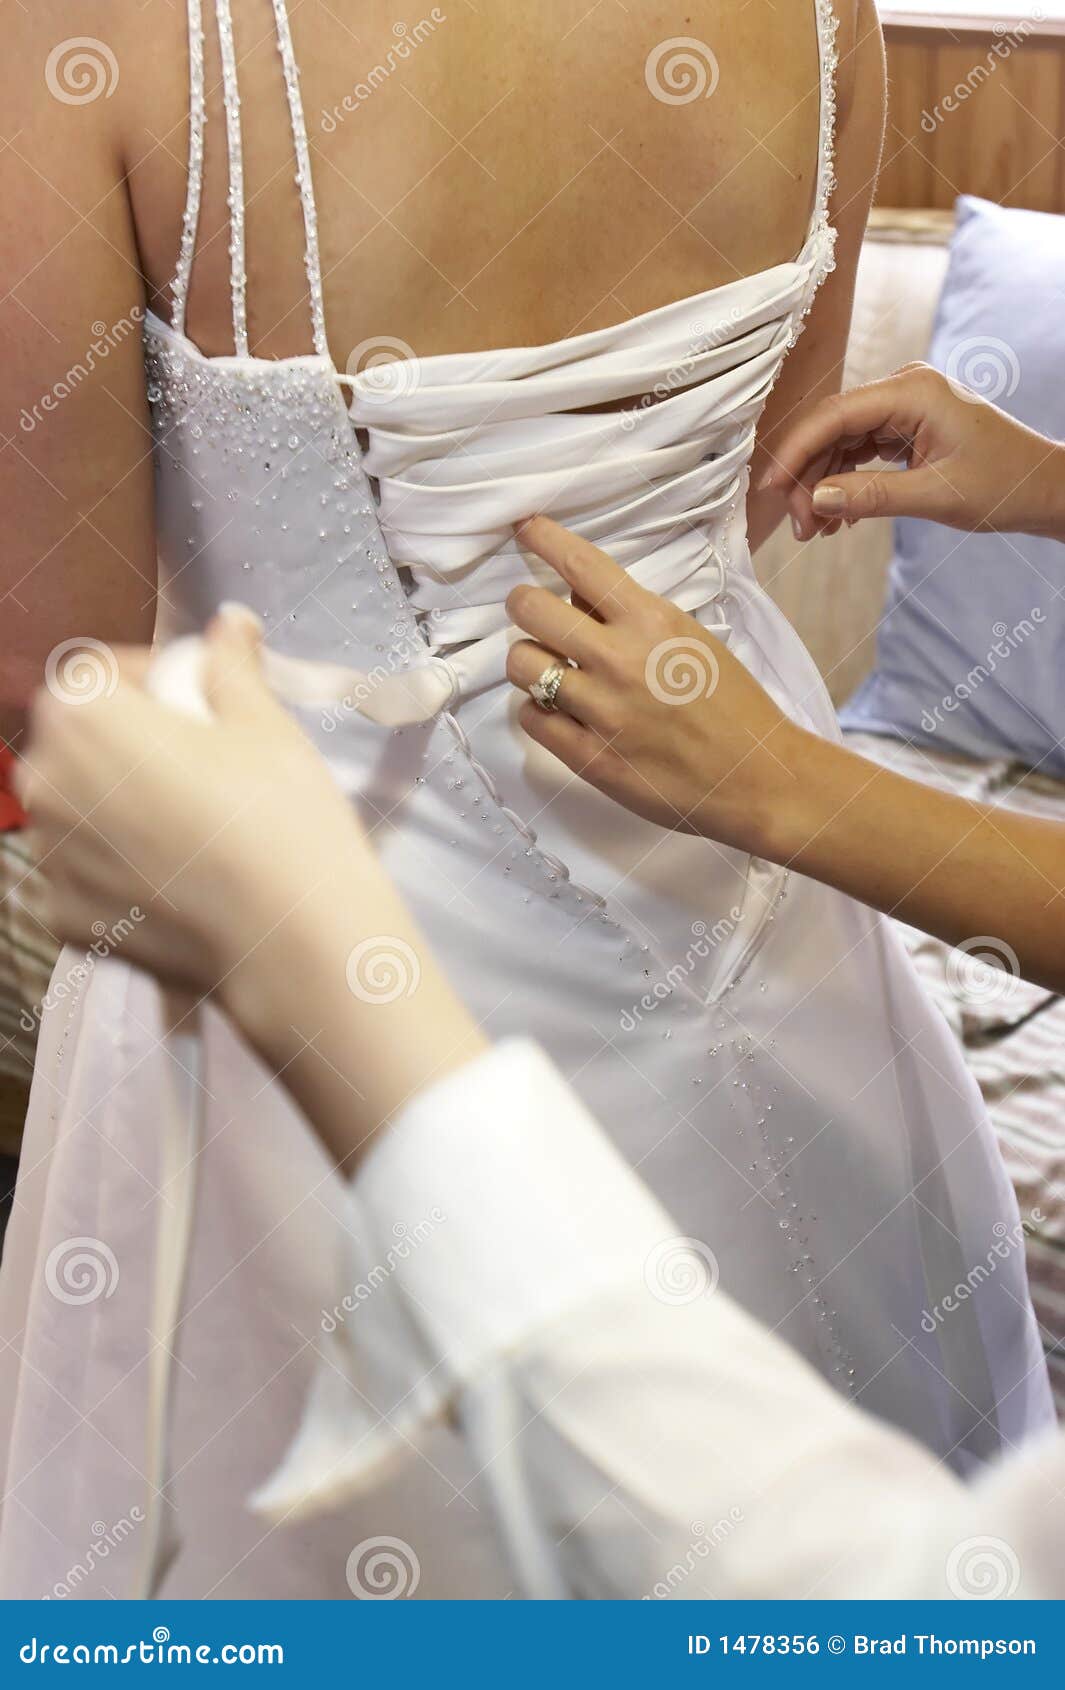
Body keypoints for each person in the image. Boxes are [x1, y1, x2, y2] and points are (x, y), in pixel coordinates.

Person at [0, 1, 1050, 1600]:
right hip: (742, 854)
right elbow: (770, 472)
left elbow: (61, 678)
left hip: (296, 872)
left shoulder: (86, 36)